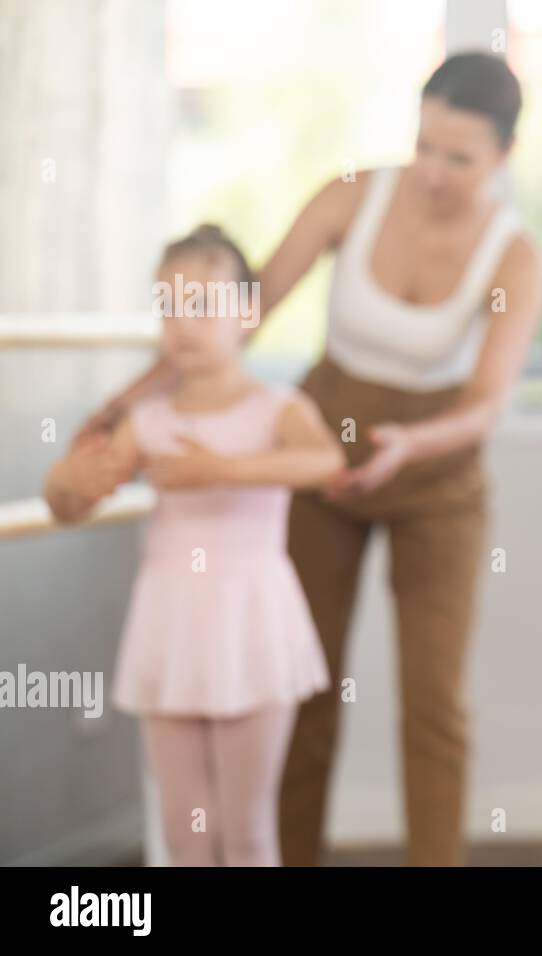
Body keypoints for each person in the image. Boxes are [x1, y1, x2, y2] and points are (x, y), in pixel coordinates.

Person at [74, 51, 542, 866]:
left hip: (436, 475)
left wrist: (414, 444)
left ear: (504, 157)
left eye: (459, 158)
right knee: (301, 689)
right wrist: (120, 406)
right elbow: (236, 316)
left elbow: (486, 403)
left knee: (434, 703)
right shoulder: (350, 196)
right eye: (424, 147)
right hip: (316, 462)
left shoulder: (516, 256)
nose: (432, 173)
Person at [46, 224, 344, 865]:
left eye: (204, 304)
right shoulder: (147, 421)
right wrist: (66, 482)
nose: (184, 323)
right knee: (186, 835)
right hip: (171, 626)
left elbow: (325, 461)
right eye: (170, 306)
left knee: (246, 832)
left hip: (251, 625)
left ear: (246, 312)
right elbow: (70, 505)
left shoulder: (276, 407)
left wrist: (224, 471)